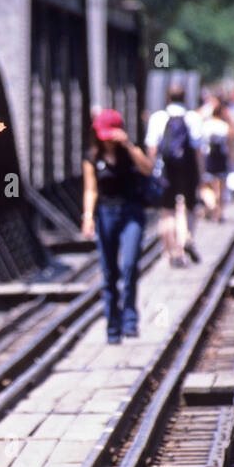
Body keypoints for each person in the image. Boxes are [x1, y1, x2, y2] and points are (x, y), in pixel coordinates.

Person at [83, 109, 154, 344]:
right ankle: (112, 326)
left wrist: (129, 145)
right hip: (106, 214)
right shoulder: (92, 156)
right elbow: (91, 189)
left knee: (130, 265)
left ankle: (130, 320)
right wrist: (87, 217)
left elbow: (148, 169)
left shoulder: (129, 153)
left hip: (131, 212)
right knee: (109, 273)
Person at [144, 84, 203, 266]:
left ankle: (172, 252)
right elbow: (198, 150)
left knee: (167, 211)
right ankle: (187, 238)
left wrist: (150, 171)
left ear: (167, 98)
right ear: (185, 98)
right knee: (188, 207)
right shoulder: (193, 118)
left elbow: (152, 148)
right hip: (188, 169)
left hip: (166, 170)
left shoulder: (158, 118)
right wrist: (201, 173)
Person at [200, 101, 230, 221]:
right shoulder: (224, 126)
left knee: (206, 186)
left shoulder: (205, 125)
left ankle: (211, 205)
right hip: (222, 158)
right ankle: (218, 212)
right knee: (220, 188)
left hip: (209, 158)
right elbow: (229, 144)